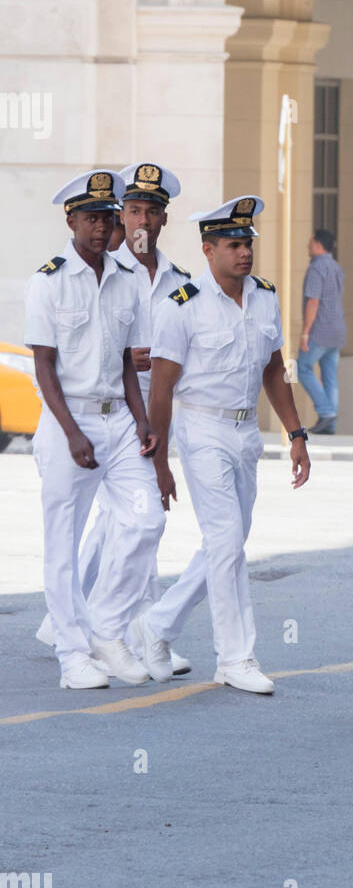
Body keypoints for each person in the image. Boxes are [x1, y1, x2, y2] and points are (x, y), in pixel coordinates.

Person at [138, 195, 311, 694]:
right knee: (226, 540)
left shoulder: (264, 296)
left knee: (228, 542)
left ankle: (159, 624)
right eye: (234, 244)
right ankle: (236, 657)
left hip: (245, 433)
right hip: (202, 429)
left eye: (248, 243)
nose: (245, 253)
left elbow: (274, 371)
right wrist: (161, 461)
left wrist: (296, 434)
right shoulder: (183, 306)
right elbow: (163, 387)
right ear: (208, 249)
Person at [35, 163, 192, 676]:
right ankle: (71, 653)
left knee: (147, 518)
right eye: (92, 218)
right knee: (64, 540)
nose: (102, 226)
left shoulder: (124, 281)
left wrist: (143, 421)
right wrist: (72, 432)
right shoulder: (50, 283)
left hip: (123, 420)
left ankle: (106, 627)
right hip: (70, 422)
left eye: (107, 217)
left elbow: (128, 361)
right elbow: (43, 365)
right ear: (71, 222)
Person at [296, 229, 345, 435]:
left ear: (318, 244)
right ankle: (330, 423)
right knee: (330, 377)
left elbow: (313, 301)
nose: (307, 245)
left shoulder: (316, 268)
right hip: (337, 330)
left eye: (310, 241)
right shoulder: (336, 267)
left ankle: (326, 412)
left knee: (303, 368)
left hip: (320, 330)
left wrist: (305, 332)